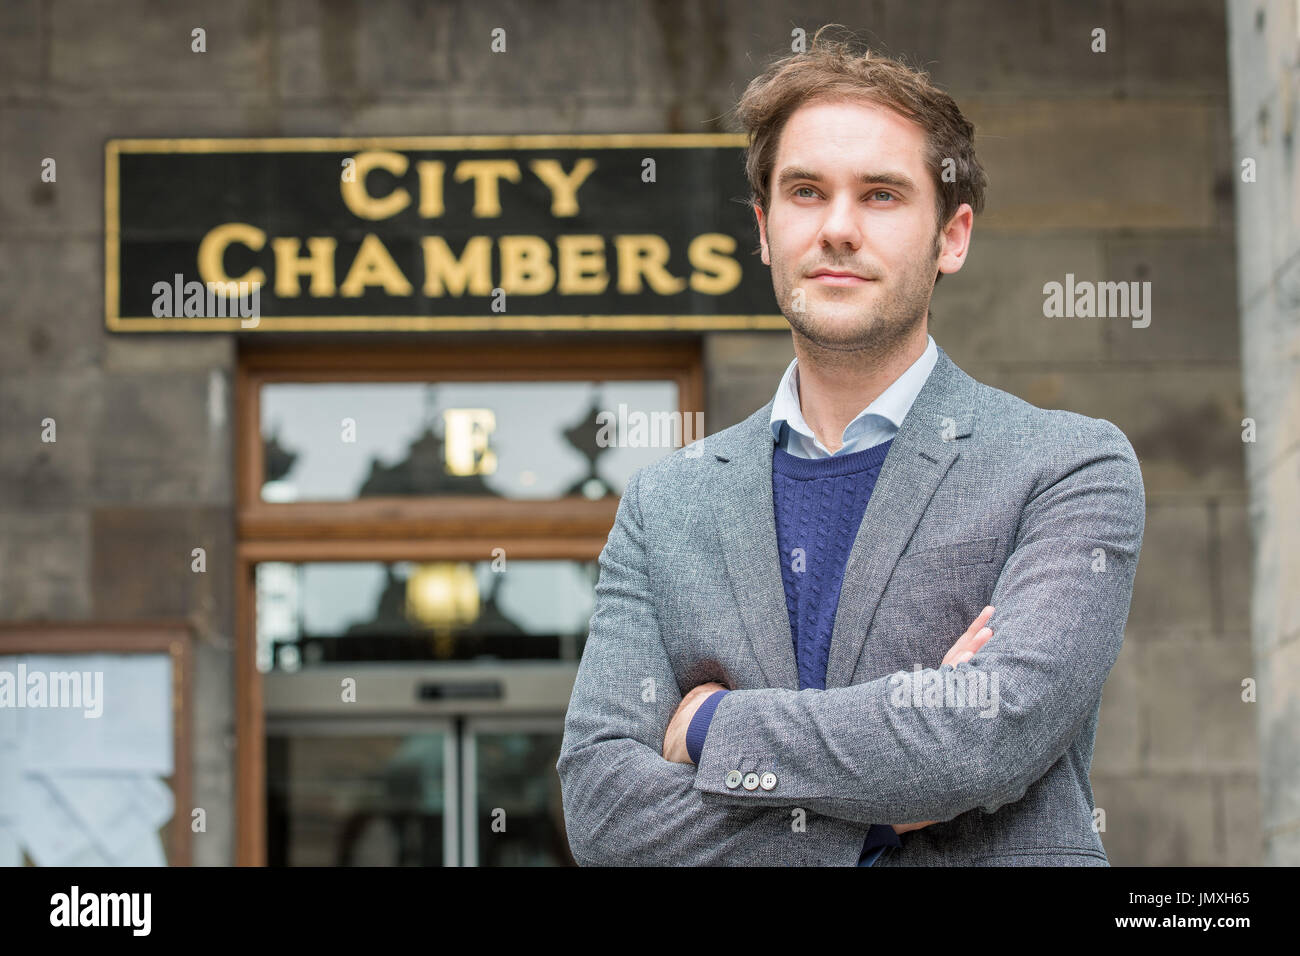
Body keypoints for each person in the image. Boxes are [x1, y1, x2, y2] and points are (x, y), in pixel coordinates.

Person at [556, 29, 1145, 866]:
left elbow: (985, 739)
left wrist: (715, 726)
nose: (837, 228)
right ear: (763, 231)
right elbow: (605, 813)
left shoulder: (1068, 468)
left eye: (880, 195)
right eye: (805, 192)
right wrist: (879, 807)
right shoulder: (666, 506)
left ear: (952, 236)